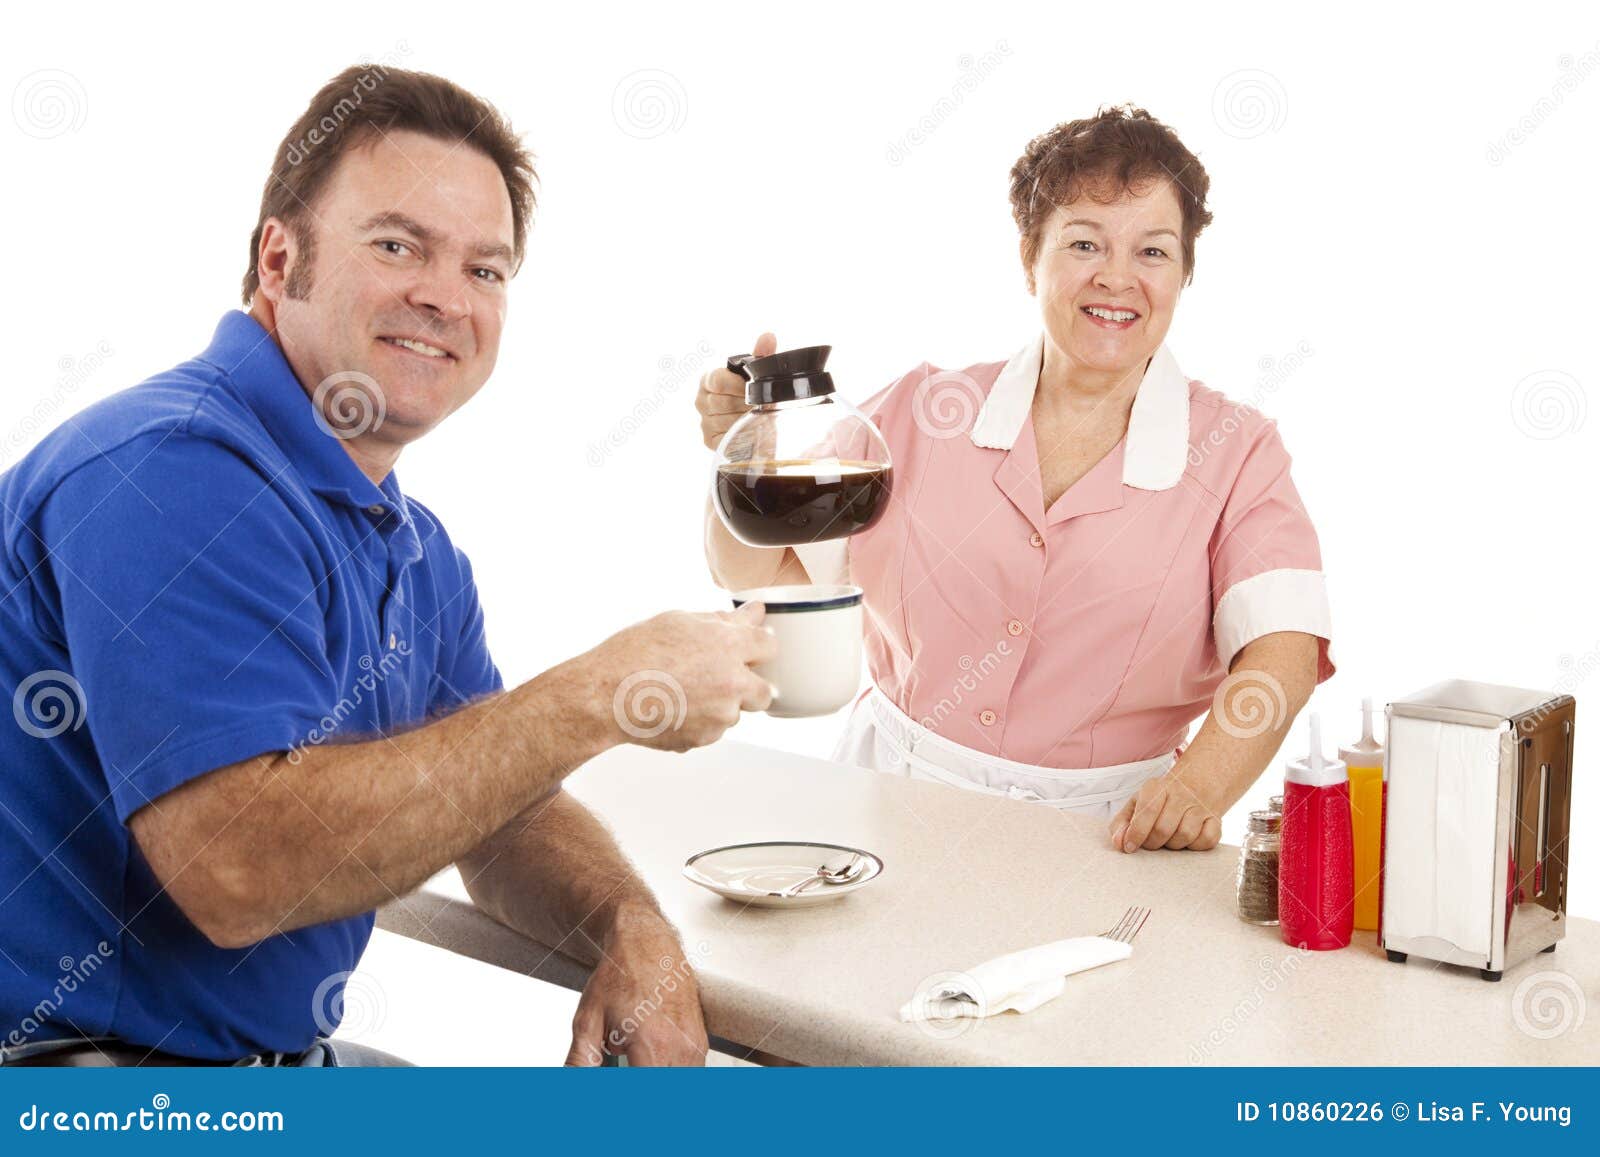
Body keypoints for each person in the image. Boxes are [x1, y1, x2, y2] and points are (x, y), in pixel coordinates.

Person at [0, 64, 774, 1067]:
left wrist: (633, 924)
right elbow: (235, 871)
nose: (445, 298)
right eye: (399, 244)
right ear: (280, 259)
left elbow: (500, 812)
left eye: (485, 270)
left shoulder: (413, 548)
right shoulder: (171, 471)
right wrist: (601, 690)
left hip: (268, 1071)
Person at [699, 106, 1333, 855]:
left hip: (1109, 839)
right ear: (1030, 257)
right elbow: (762, 570)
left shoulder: (1237, 452)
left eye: (1153, 251)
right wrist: (743, 458)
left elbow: (1282, 652)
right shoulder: (923, 410)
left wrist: (1198, 787)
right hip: (892, 807)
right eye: (1084, 242)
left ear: (1186, 272)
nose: (1118, 277)